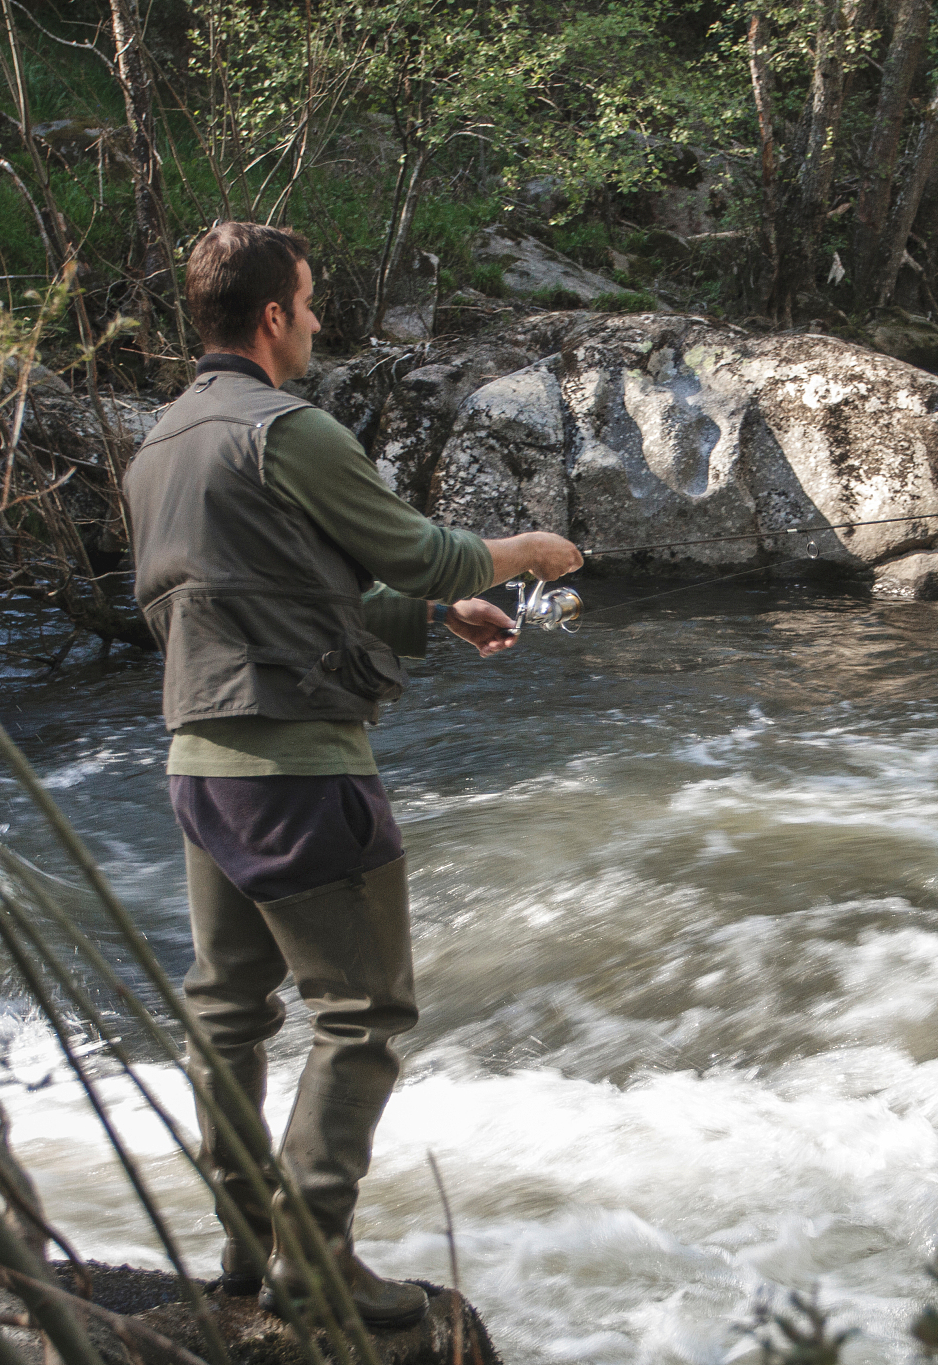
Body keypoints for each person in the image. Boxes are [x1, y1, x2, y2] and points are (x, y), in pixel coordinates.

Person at [122, 222, 581, 1330]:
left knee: (228, 1013)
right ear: (273, 315)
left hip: (199, 764)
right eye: (312, 302)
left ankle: (244, 1251)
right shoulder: (292, 430)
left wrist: (428, 621)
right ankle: (313, 1260)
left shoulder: (159, 445)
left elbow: (260, 598)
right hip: (296, 766)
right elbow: (420, 548)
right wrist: (522, 555)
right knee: (359, 1013)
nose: (319, 322)